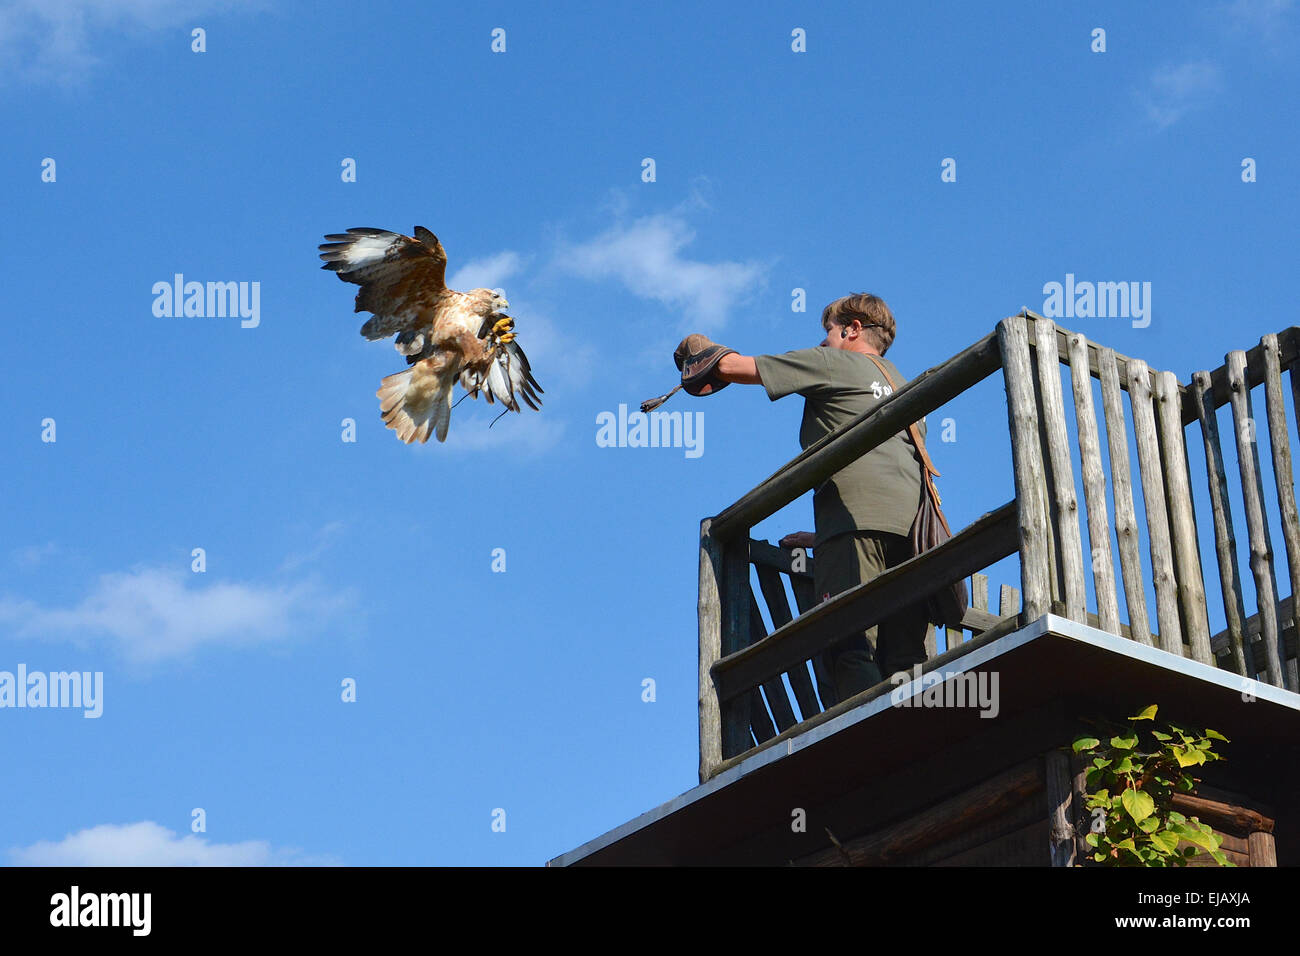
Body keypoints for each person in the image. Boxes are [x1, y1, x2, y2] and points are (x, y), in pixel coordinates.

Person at [682, 293, 933, 706]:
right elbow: (887, 473)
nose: (822, 342)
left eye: (828, 332)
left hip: (854, 528)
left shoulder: (834, 362)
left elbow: (728, 367)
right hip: (914, 533)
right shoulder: (905, 385)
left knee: (846, 642)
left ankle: (869, 735)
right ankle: (919, 733)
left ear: (852, 329)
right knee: (903, 656)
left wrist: (698, 348)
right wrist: (822, 538)